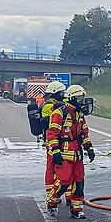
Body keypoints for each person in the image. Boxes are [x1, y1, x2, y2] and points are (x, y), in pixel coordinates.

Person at [45, 84, 95, 219]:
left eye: (82, 98)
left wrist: (89, 148)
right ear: (71, 98)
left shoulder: (79, 115)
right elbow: (52, 134)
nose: (82, 102)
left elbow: (84, 133)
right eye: (79, 98)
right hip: (64, 153)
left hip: (77, 153)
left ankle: (76, 209)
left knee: (79, 182)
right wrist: (55, 152)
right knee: (63, 182)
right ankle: (52, 202)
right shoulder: (59, 112)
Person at [31, 81, 67, 211]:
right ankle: (50, 194)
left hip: (63, 140)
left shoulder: (58, 104)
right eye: (61, 93)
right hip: (51, 141)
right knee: (52, 167)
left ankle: (68, 197)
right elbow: (47, 123)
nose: (63, 95)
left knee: (65, 168)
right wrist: (58, 110)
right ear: (55, 93)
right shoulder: (47, 106)